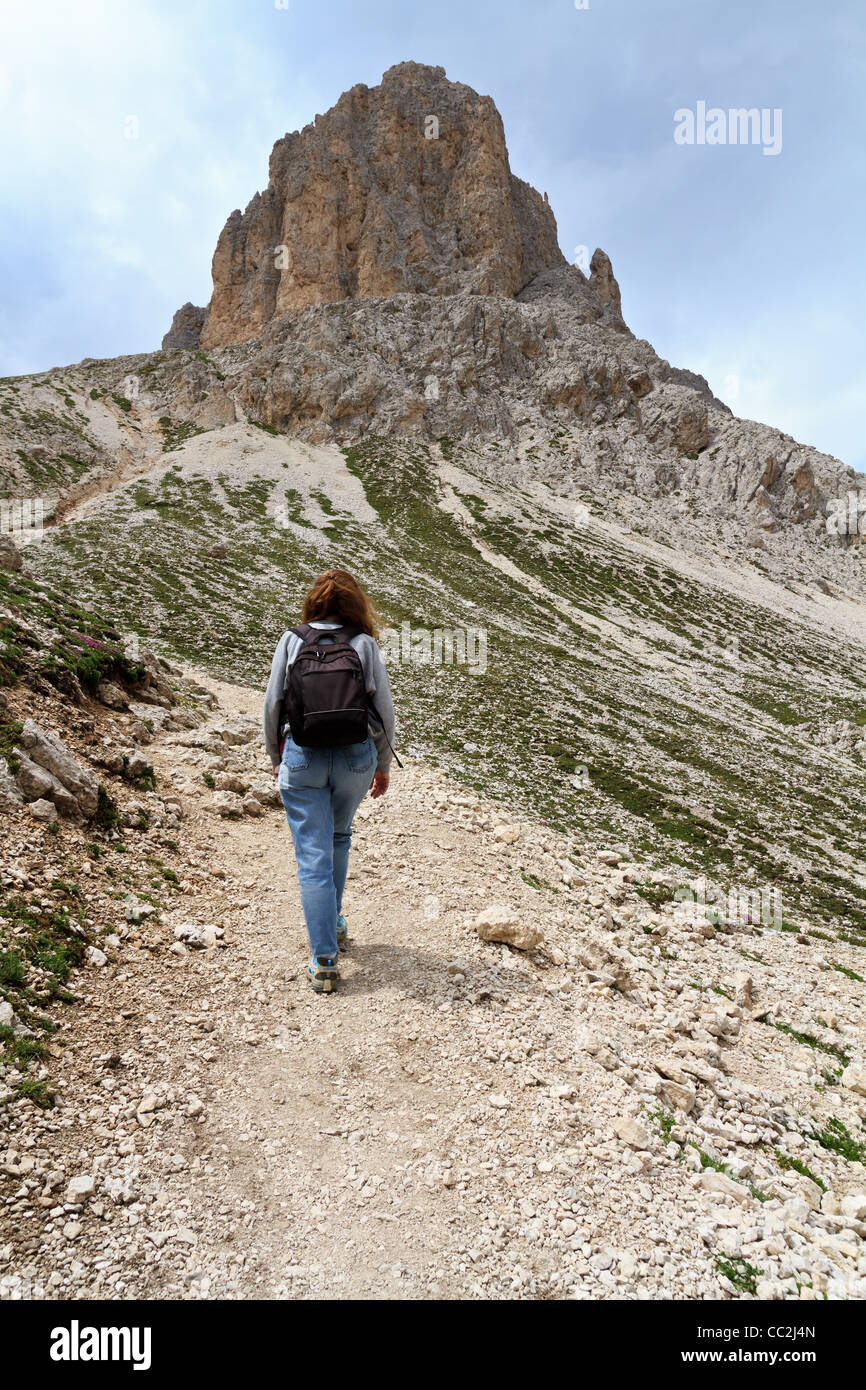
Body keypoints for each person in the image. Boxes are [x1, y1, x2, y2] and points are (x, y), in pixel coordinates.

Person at [262, 568, 397, 993]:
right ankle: (335, 920)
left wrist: (274, 755)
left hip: (303, 756)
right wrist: (382, 765)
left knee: (312, 857)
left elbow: (273, 703)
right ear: (355, 605)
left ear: (314, 601)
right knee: (339, 836)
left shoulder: (292, 640)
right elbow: (385, 710)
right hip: (355, 758)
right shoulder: (364, 643)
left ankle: (324, 960)